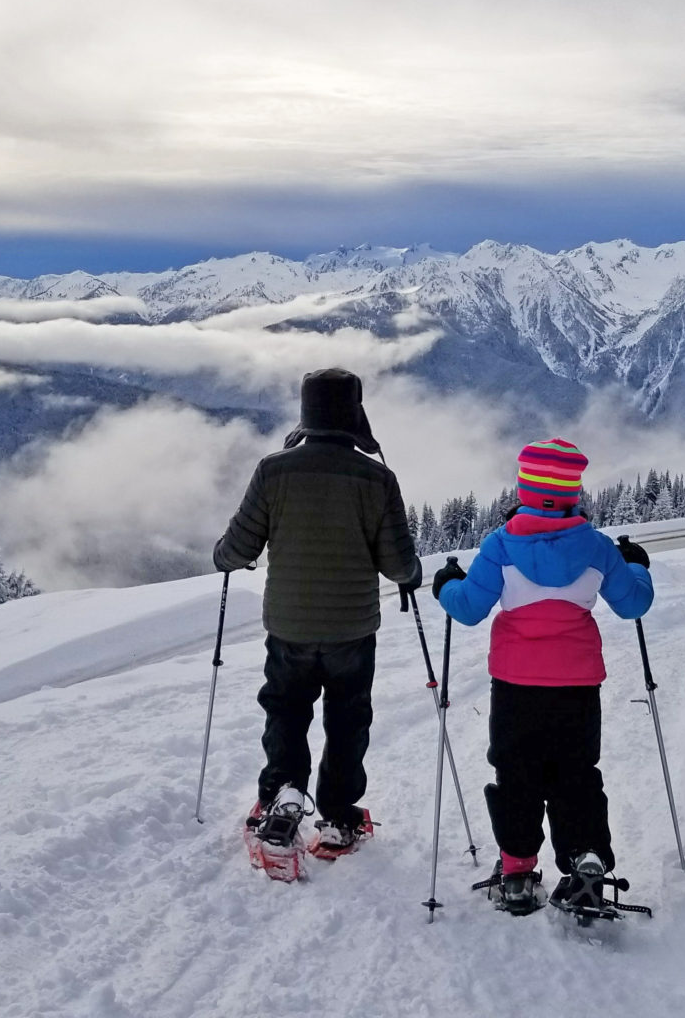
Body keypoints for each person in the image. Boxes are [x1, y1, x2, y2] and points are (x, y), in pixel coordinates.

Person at [431, 438, 653, 915]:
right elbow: (634, 603)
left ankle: (516, 873)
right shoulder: (597, 549)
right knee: (576, 774)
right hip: (577, 685)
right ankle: (585, 858)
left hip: (515, 685)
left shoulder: (501, 545)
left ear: (525, 488)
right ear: (573, 491)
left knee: (516, 775)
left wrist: (446, 585)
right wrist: (636, 565)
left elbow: (468, 609)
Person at [213, 368, 423, 864]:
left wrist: (224, 555)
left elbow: (239, 547)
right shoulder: (378, 479)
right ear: (355, 415)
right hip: (353, 630)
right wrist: (412, 574)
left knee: (286, 712)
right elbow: (399, 565)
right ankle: (337, 816)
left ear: (306, 413)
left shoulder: (274, 470)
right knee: (348, 721)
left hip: (289, 626)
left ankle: (282, 800)